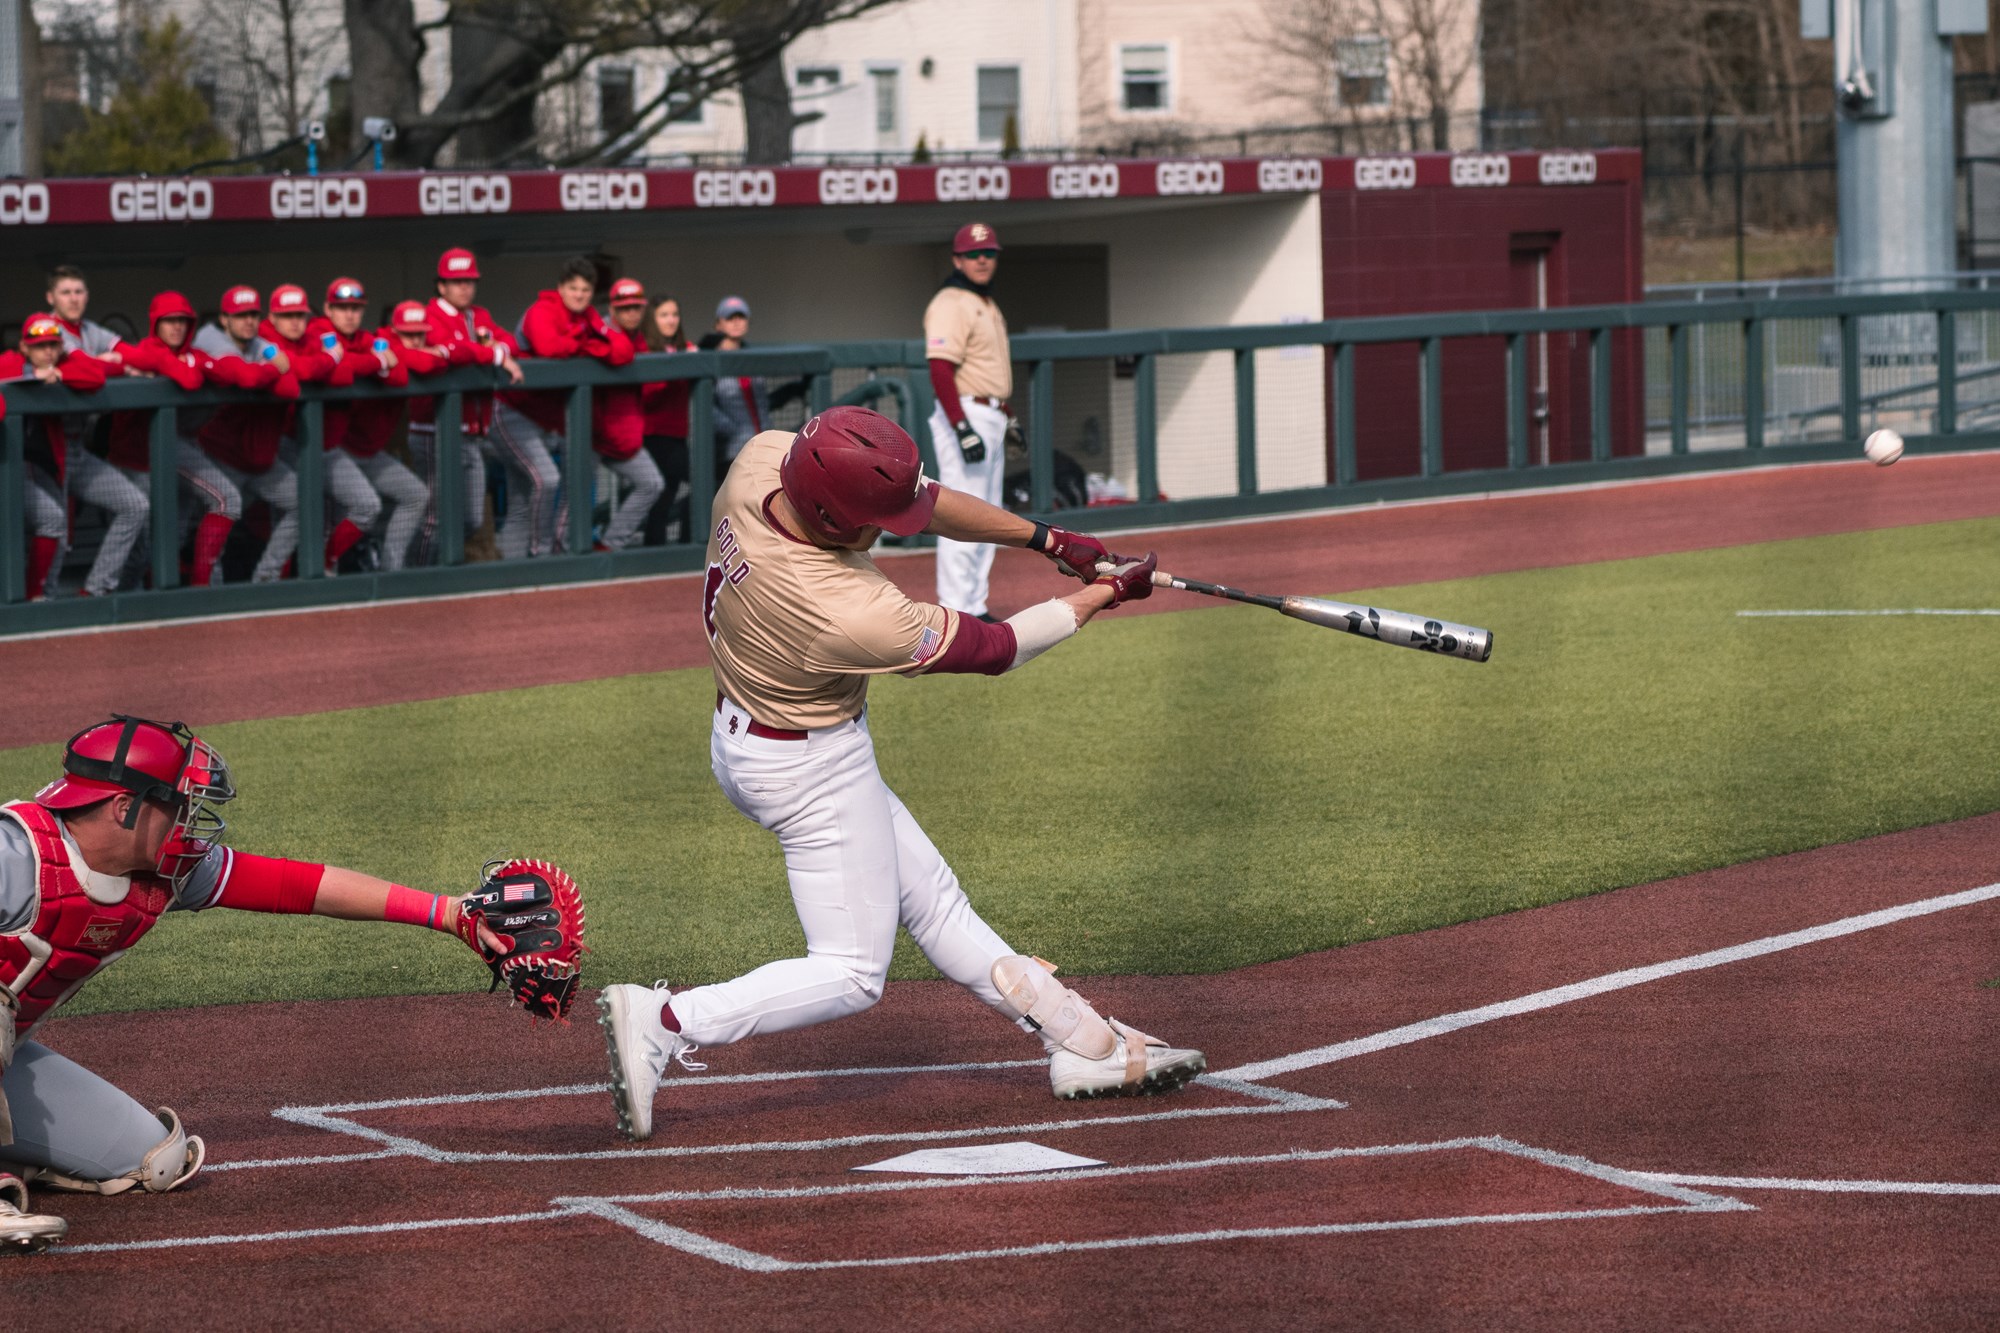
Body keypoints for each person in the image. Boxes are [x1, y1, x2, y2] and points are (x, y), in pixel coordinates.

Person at [596, 406, 1204, 1142]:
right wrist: (1105, 593)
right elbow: (997, 647)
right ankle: (664, 1019)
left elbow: (923, 497)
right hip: (806, 766)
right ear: (834, 518)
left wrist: (1048, 539)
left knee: (936, 903)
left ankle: (1083, 1042)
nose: (891, 530)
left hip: (759, 733)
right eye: (875, 521)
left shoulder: (763, 460)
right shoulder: (846, 609)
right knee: (852, 971)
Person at [0, 714, 513, 1252]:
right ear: (125, 808)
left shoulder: (163, 871)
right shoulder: (17, 857)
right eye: (177, 804)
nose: (188, 821)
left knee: (155, 1160)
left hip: (12, 1060)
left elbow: (298, 885)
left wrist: (445, 912)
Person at [103, 292, 248, 589]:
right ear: (156, 324)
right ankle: (119, 600)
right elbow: (189, 379)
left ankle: (199, 590)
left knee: (176, 534)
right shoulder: (146, 350)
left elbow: (228, 374)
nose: (177, 327)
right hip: (134, 461)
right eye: (169, 321)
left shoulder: (193, 355)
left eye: (182, 321)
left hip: (175, 452)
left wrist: (202, 366)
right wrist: (179, 365)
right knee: (140, 549)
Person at [496, 256, 634, 558]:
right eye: (573, 289)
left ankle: (510, 564)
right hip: (513, 412)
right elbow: (549, 348)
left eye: (585, 290)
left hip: (545, 420)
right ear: (560, 288)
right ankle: (542, 556)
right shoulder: (541, 311)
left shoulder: (589, 315)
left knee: (522, 500)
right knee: (547, 479)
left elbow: (623, 350)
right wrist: (588, 344)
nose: (579, 296)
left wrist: (587, 344)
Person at [924, 221, 1015, 620]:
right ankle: (956, 609)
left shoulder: (984, 301)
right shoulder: (951, 301)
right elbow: (940, 368)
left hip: (988, 412)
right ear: (957, 259)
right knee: (963, 515)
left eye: (989, 253)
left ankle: (974, 606)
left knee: (988, 515)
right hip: (964, 413)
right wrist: (961, 427)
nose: (982, 259)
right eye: (973, 254)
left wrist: (1008, 417)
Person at [409, 248, 523, 565]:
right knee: (434, 517)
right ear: (441, 285)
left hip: (470, 431)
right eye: (456, 281)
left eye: (469, 281)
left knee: (471, 518)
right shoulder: (428, 316)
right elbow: (455, 351)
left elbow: (511, 342)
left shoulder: (479, 315)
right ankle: (414, 574)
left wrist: (495, 349)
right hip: (432, 430)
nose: (464, 287)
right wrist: (493, 354)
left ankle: (439, 569)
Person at [309, 278, 430, 573]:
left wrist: (373, 361)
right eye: (342, 308)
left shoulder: (365, 339)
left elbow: (399, 377)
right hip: (326, 448)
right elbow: (340, 369)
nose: (349, 314)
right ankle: (323, 564)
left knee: (416, 495)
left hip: (365, 451)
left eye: (355, 308)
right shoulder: (317, 331)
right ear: (328, 309)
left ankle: (391, 570)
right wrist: (377, 362)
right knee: (358, 508)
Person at [260, 284, 379, 575]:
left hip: (320, 445)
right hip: (277, 444)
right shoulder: (263, 338)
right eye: (287, 315)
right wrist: (329, 360)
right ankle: (269, 582)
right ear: (272, 317)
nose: (294, 322)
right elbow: (306, 371)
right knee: (292, 517)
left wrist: (326, 363)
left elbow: (343, 373)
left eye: (299, 315)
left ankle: (327, 563)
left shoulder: (311, 337)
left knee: (367, 505)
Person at [189, 286, 303, 583]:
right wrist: (272, 369)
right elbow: (247, 378)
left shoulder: (261, 344)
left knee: (302, 501)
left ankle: (267, 577)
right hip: (215, 455)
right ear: (225, 319)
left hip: (258, 460)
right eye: (240, 316)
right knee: (206, 516)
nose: (248, 321)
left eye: (253, 314)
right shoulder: (209, 338)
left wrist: (267, 369)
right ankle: (204, 589)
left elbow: (291, 387)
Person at [2, 316, 115, 600]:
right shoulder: (11, 361)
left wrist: (62, 373)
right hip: (10, 463)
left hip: (36, 464)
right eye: (40, 346)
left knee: (53, 521)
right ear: (24, 347)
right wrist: (31, 374)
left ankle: (37, 596)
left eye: (53, 345)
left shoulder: (63, 364)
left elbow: (96, 376)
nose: (47, 352)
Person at [585, 277, 666, 551]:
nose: (631, 313)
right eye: (625, 308)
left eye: (636, 307)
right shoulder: (599, 333)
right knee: (575, 497)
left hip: (621, 434)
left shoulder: (640, 338)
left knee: (652, 483)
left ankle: (610, 543)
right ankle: (561, 553)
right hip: (589, 434)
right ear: (613, 309)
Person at [698, 295, 803, 477]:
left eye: (741, 317)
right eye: (730, 318)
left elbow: (763, 402)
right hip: (730, 450)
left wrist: (794, 389)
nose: (736, 322)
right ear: (718, 324)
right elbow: (705, 406)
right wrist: (734, 431)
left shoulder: (753, 357)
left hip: (762, 443)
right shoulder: (709, 357)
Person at [638, 293, 696, 545]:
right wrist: (676, 370)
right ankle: (684, 543)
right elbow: (647, 393)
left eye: (674, 314)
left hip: (678, 434)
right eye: (663, 315)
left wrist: (691, 359)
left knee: (665, 495)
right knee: (702, 482)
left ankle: (662, 546)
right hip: (654, 435)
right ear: (652, 319)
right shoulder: (644, 349)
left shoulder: (685, 347)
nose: (671, 320)